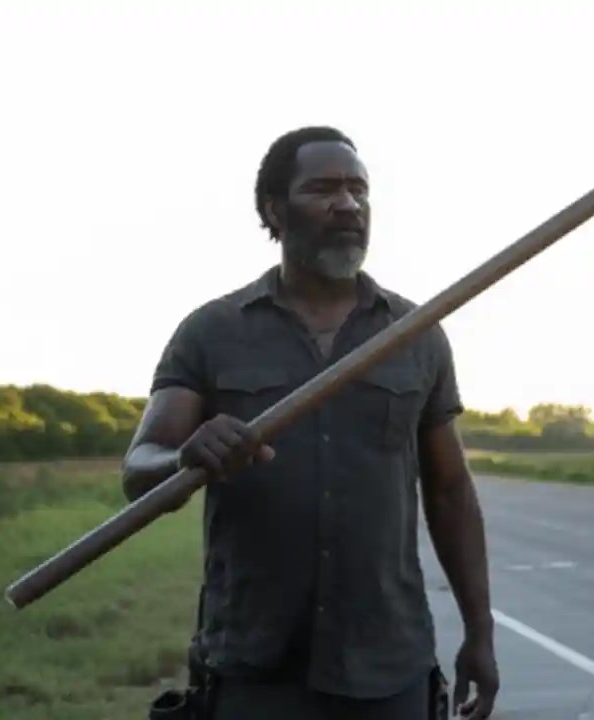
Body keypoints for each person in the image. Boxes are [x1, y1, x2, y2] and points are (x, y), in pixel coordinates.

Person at [123, 125, 499, 720]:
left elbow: (450, 493)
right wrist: (183, 458)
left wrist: (480, 632)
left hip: (388, 665)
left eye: (358, 190)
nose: (347, 205)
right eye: (323, 189)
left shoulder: (417, 334)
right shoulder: (212, 331)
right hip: (254, 666)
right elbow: (139, 469)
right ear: (275, 209)